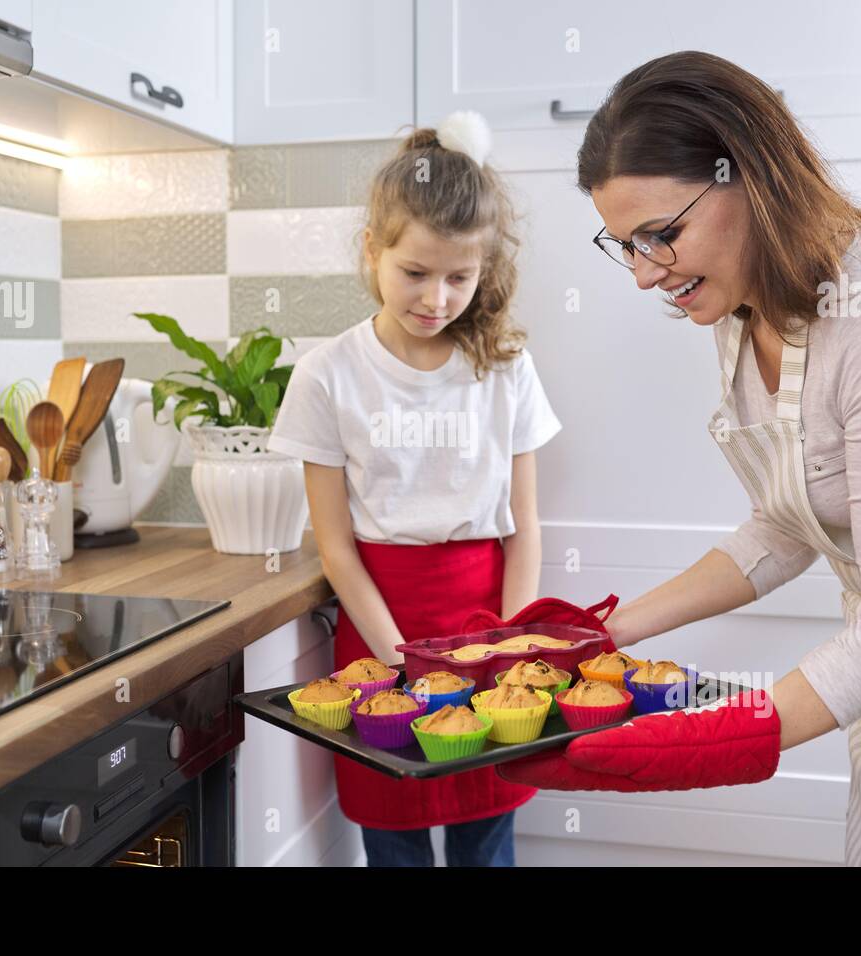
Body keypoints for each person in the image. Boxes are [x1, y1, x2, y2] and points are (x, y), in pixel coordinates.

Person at [500, 51, 861, 867]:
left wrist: (724, 740)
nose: (643, 275)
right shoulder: (744, 311)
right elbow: (784, 521)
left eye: (662, 236)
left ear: (753, 176)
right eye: (625, 245)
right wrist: (603, 633)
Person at [268, 111, 562, 867]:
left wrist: (510, 639)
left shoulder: (505, 369)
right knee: (393, 835)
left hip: (488, 620)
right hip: (380, 627)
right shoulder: (326, 375)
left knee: (486, 831)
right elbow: (335, 544)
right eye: (415, 273)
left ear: (484, 267)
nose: (437, 299)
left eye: (460, 277)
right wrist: (401, 659)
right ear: (373, 252)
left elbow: (524, 529)